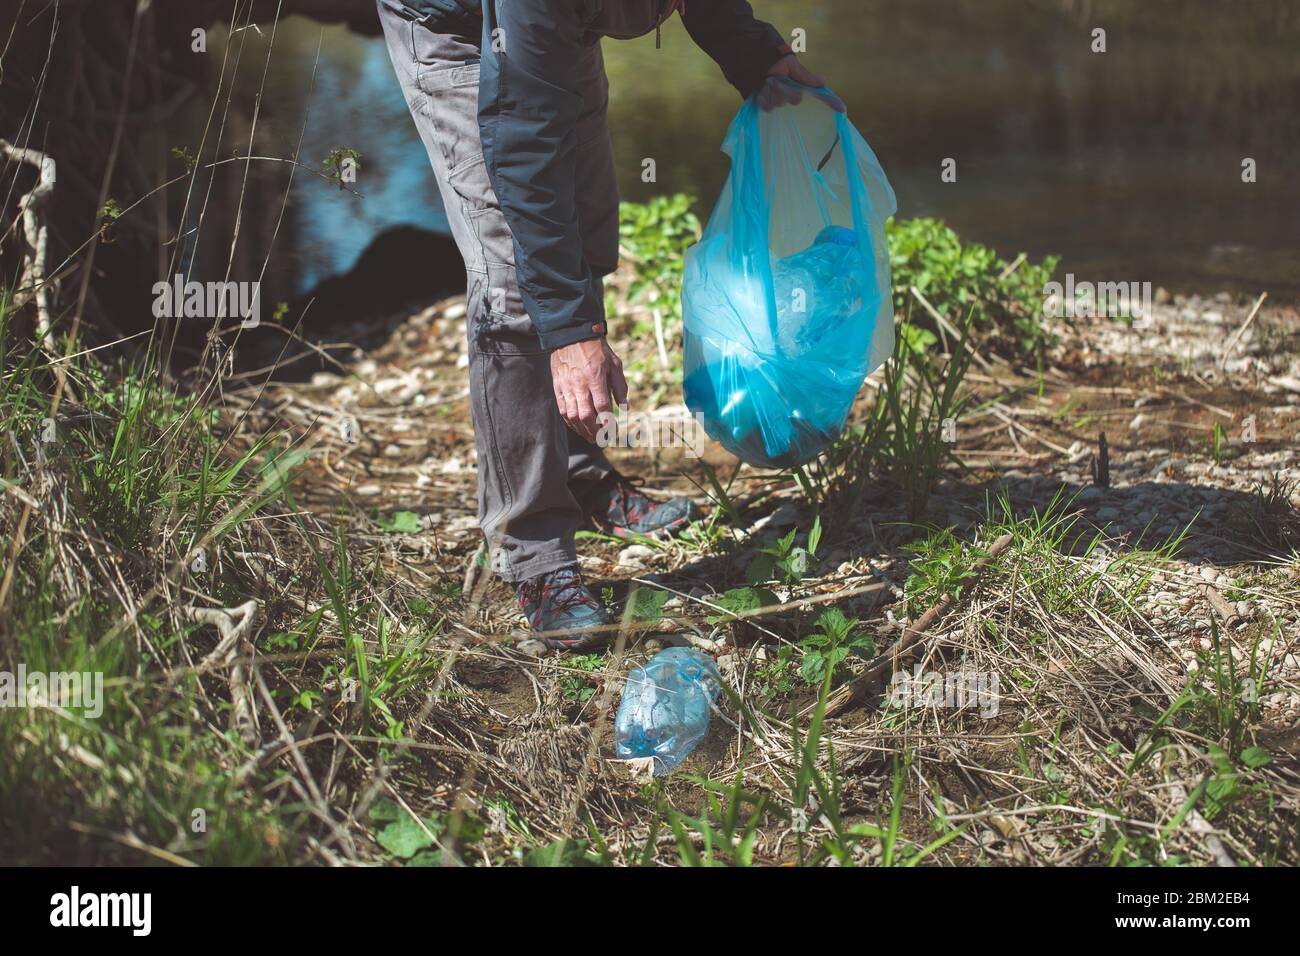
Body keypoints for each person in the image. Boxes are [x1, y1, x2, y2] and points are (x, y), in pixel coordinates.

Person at [377, 0, 839, 649]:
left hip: (550, 31)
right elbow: (523, 148)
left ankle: (578, 473)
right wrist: (568, 335)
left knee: (585, 220)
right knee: (514, 280)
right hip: (452, 24)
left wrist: (759, 58)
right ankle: (533, 555)